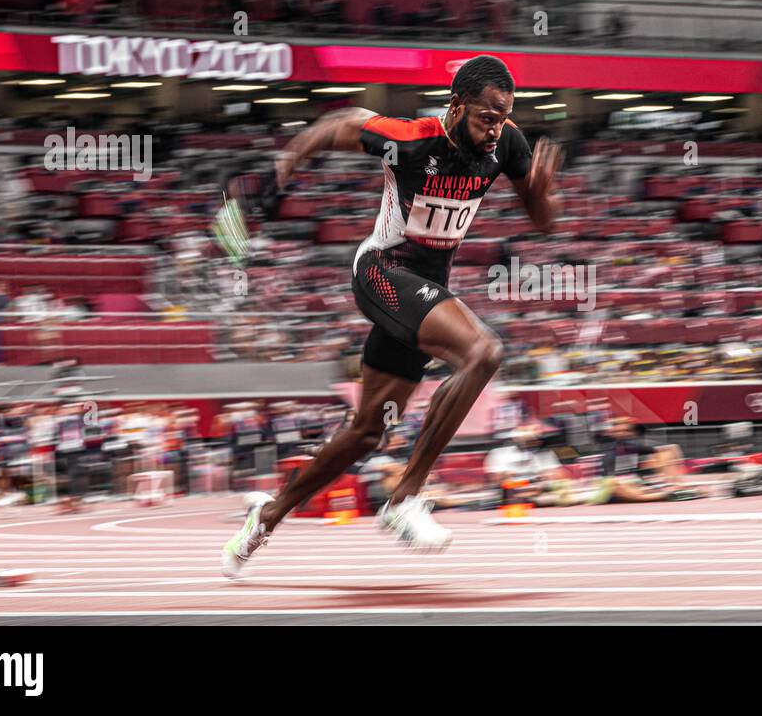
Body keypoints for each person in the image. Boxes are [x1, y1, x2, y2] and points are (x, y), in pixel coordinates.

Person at [223, 55, 564, 577]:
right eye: (485, 118)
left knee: (367, 431)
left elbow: (543, 224)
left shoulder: (508, 144)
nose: (495, 130)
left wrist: (543, 196)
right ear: (457, 105)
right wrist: (282, 168)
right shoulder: (412, 139)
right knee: (484, 352)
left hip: (423, 292)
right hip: (381, 273)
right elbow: (340, 123)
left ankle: (265, 518)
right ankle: (405, 499)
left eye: (503, 117)